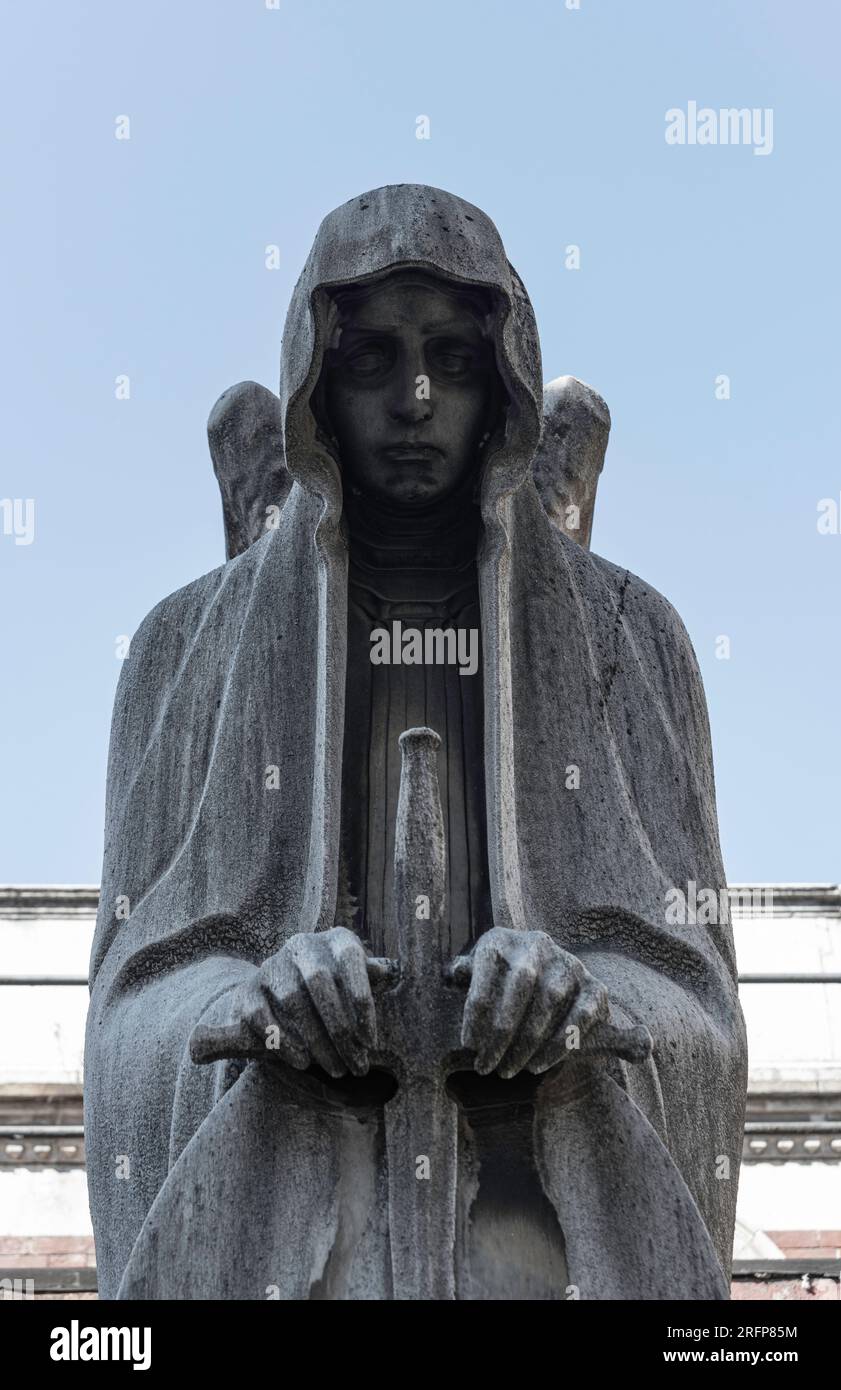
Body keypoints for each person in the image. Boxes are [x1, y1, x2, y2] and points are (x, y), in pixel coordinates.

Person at [84, 184, 747, 1300]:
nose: (415, 397)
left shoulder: (632, 634)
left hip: (531, 1229)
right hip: (299, 1233)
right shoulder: (179, 645)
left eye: (450, 353)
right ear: (312, 382)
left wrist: (585, 997)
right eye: (369, 361)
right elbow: (124, 1006)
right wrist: (239, 1002)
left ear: (504, 381)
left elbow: (702, 1008)